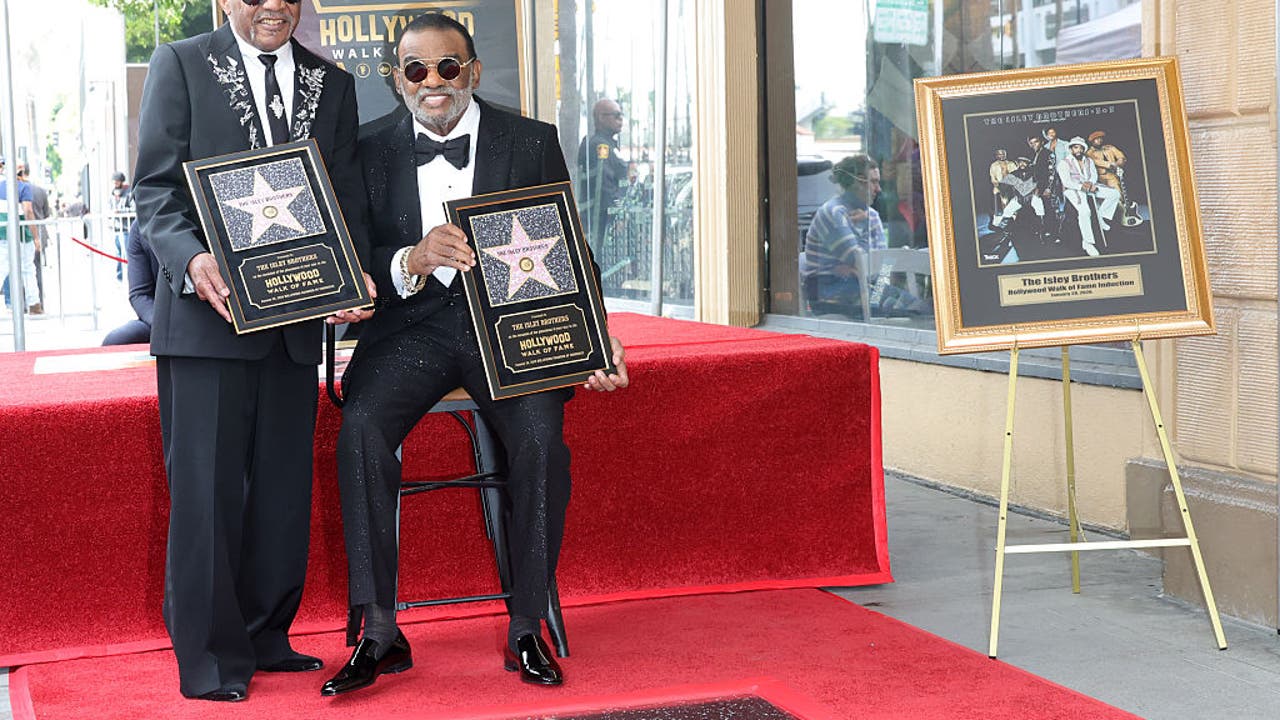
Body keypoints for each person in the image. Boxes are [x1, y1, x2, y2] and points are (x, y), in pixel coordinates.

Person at [322, 13, 629, 697]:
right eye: (416, 70)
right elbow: (350, 258)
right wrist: (411, 258)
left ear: (474, 72)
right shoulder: (363, 148)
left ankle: (527, 626)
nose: (434, 82)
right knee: (362, 434)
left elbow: (570, 249)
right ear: (397, 79)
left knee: (543, 444)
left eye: (448, 67)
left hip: (511, 335)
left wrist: (596, 334)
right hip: (409, 332)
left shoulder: (530, 140)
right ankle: (377, 631)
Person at [132, 0, 374, 702]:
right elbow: (154, 190)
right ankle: (208, 658)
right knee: (206, 494)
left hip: (296, 321)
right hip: (206, 321)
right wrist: (190, 257)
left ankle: (268, 634)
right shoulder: (180, 63)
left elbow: (348, 199)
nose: (273, 3)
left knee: (280, 488)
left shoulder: (333, 84)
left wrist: (352, 272)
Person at [576, 98, 627, 250]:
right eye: (616, 115)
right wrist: (617, 214)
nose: (621, 119)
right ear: (601, 117)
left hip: (604, 219)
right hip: (602, 221)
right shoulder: (599, 146)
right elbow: (605, 186)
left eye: (621, 115)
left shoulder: (608, 145)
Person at [1057, 136, 1121, 257]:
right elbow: (1066, 182)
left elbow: (1093, 175)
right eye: (1076, 147)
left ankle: (1101, 217)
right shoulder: (1064, 163)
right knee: (1085, 212)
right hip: (1073, 189)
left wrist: (1090, 183)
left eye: (1081, 148)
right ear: (1071, 149)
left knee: (1114, 193)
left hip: (1089, 186)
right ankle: (1087, 243)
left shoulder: (1089, 160)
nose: (1079, 150)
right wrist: (1082, 187)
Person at [102, 221, 159, 345]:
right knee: (114, 341)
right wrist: (162, 325)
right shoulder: (140, 226)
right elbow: (139, 293)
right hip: (161, 319)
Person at [0, 157, 38, 314]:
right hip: (22, 235)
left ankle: (34, 304)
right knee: (28, 270)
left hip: (3, 234)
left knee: (1, 269)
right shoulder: (24, 188)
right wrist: (35, 236)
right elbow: (28, 211)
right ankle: (34, 305)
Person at [17, 163, 49, 312]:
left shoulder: (15, 189)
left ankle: (22, 304)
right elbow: (46, 214)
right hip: (38, 234)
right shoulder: (41, 191)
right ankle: (37, 304)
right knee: (35, 269)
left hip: (23, 234)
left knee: (21, 270)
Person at [109, 171, 133, 281]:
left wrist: (121, 212)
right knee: (118, 253)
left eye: (117, 181)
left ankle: (130, 276)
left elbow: (133, 209)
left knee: (127, 253)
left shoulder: (128, 192)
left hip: (126, 228)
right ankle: (119, 277)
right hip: (116, 228)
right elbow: (109, 208)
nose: (115, 183)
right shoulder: (112, 194)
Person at [988, 148, 1016, 217]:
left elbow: (1016, 174)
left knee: (1015, 195)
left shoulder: (1011, 163)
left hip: (1011, 184)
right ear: (996, 156)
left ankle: (1015, 214)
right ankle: (1007, 214)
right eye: (999, 154)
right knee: (1004, 197)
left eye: (1003, 154)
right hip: (1000, 185)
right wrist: (997, 184)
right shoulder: (993, 165)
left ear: (1006, 155)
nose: (1001, 156)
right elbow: (993, 178)